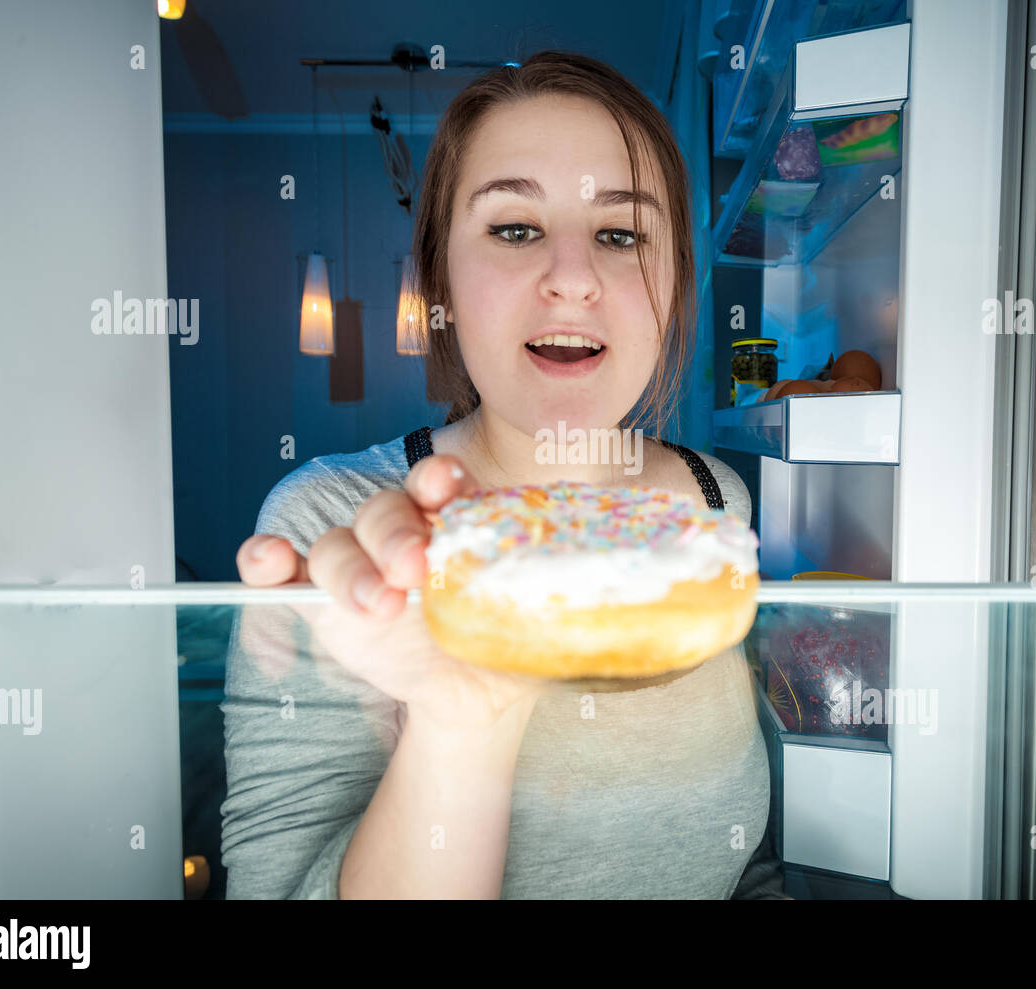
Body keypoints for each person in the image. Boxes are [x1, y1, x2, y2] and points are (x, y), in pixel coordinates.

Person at [221, 50, 789, 899]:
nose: (571, 279)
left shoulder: (716, 504)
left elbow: (739, 865)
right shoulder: (327, 526)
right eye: (515, 229)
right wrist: (464, 719)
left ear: (675, 282)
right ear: (440, 272)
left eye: (622, 233)